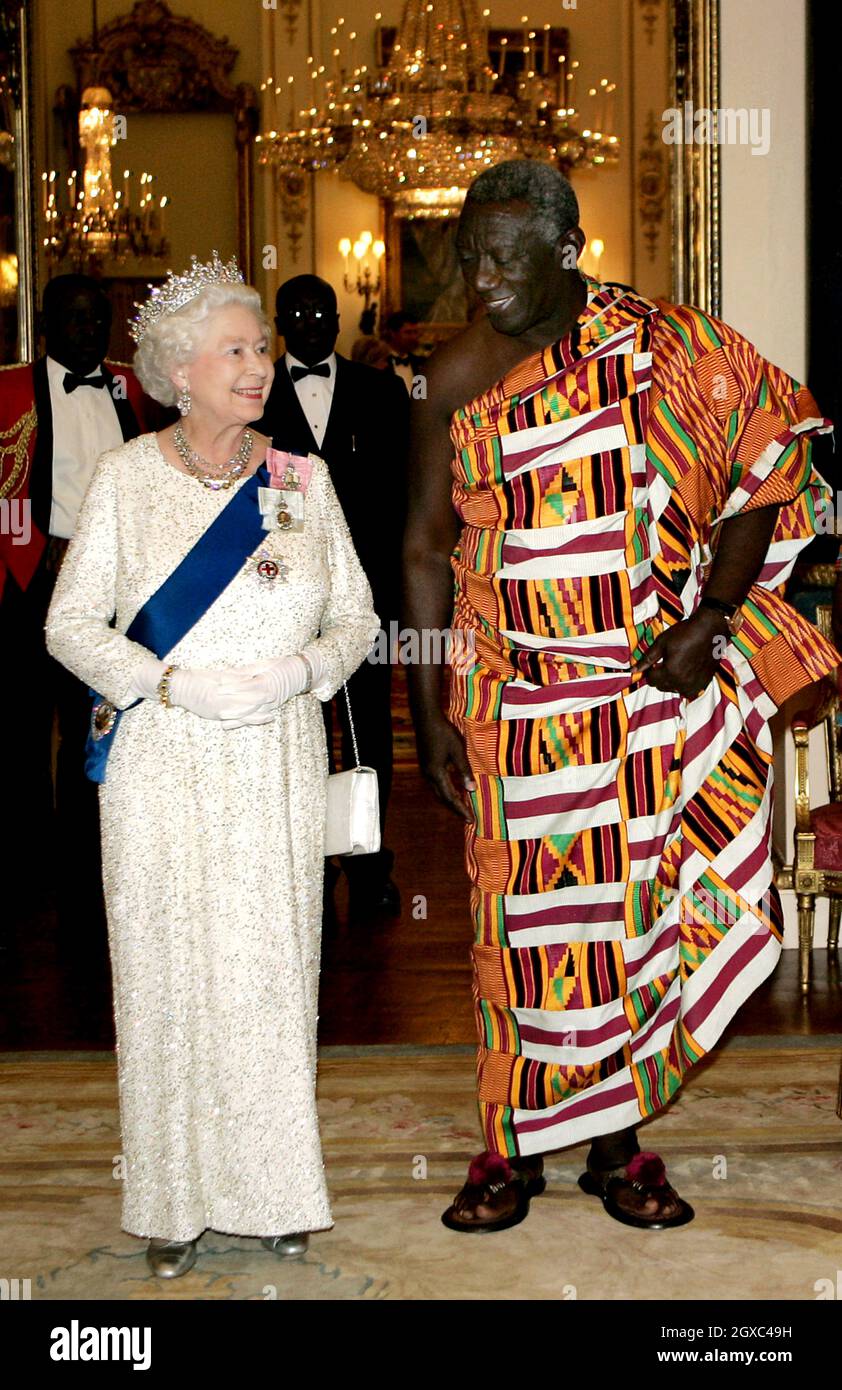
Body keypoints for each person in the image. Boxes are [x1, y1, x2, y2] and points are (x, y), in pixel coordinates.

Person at [403, 159, 839, 1233]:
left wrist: (713, 617)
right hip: (515, 704)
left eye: (507, 257)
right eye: (471, 255)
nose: (484, 278)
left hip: (646, 703)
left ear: (566, 252)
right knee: (519, 929)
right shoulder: (452, 373)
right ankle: (506, 1143)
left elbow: (770, 458)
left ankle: (615, 1144)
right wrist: (425, 713)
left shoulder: (666, 347)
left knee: (629, 926)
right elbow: (421, 547)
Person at [45, 253, 379, 1277]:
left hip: (273, 758)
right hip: (161, 765)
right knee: (167, 976)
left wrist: (296, 670)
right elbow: (67, 625)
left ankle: (274, 1188)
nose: (257, 366)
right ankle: (173, 1201)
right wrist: (172, 685)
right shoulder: (125, 480)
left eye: (261, 349)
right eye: (234, 350)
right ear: (177, 371)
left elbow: (358, 617)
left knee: (271, 976)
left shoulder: (301, 481)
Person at [257, 274, 409, 920]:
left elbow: (404, 496)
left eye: (322, 310)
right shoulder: (253, 395)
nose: (311, 321)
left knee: (368, 736)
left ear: (340, 317)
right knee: (295, 736)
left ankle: (370, 866)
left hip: (364, 596)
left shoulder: (382, 392)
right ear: (280, 321)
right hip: (279, 598)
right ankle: (304, 870)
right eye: (297, 311)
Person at [0, 275, 149, 915]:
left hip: (114, 589)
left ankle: (93, 863)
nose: (87, 331)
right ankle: (29, 866)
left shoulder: (135, 389)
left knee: (101, 724)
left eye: (96, 320)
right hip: (35, 579)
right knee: (25, 729)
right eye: (73, 320)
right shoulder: (7, 390)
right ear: (47, 324)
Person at [381, 310, 424, 392]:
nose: (413, 337)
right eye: (408, 332)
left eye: (415, 332)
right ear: (392, 333)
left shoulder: (421, 363)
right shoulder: (380, 363)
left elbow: (421, 397)